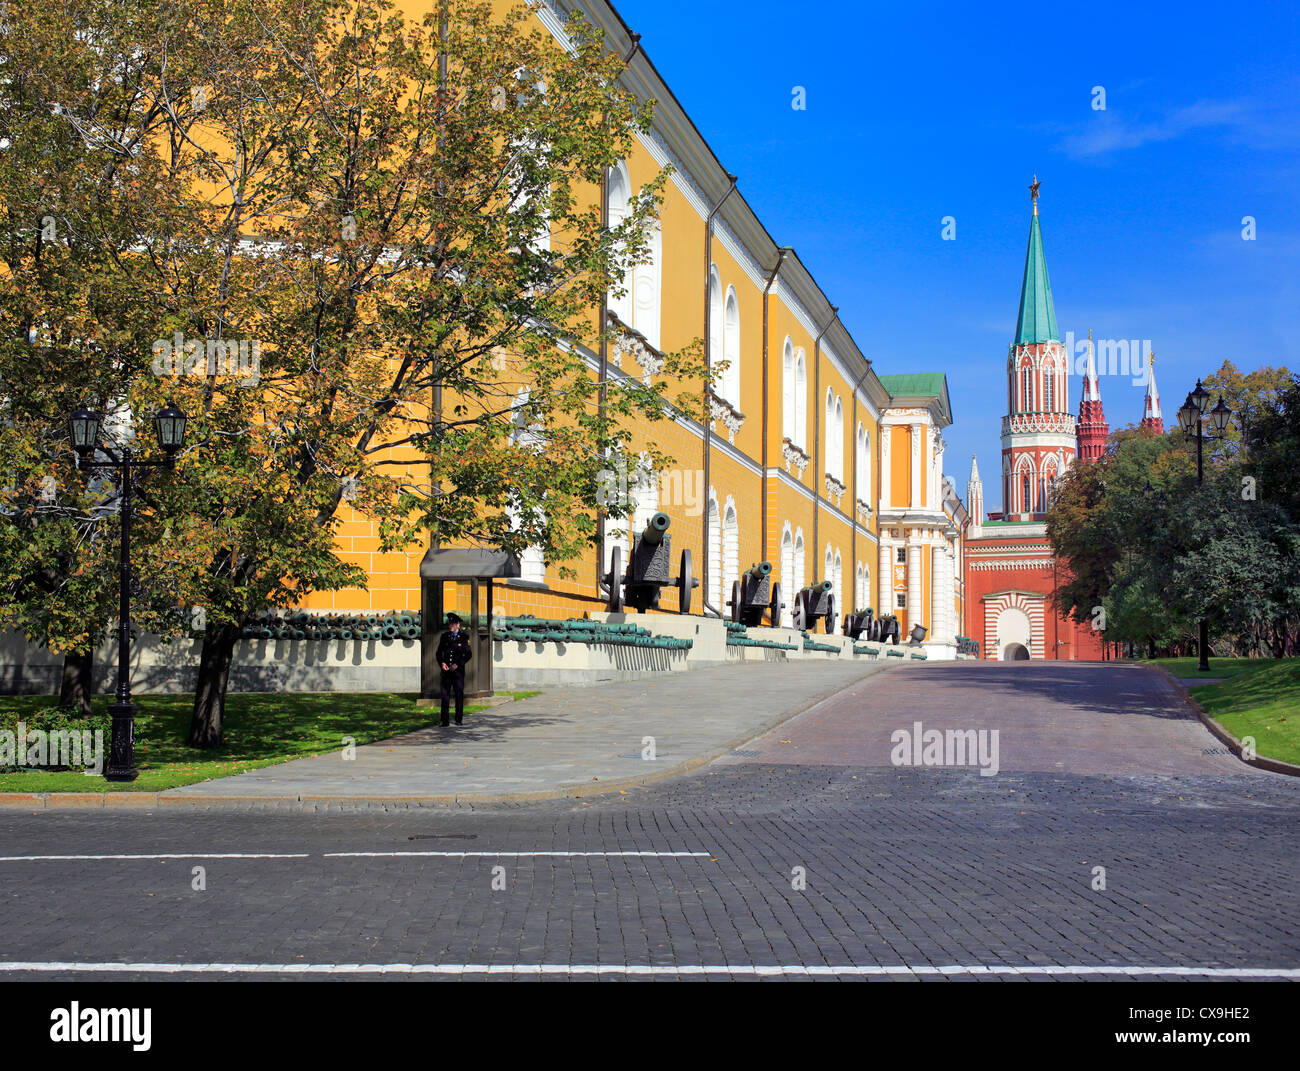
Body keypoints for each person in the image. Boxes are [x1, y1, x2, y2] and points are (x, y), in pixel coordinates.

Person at [435, 613, 473, 726]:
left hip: (458, 672)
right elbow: (438, 653)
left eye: (452, 624)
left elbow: (468, 654)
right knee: (445, 695)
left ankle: (458, 719)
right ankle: (444, 720)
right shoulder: (445, 636)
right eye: (449, 624)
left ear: (458, 624)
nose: (450, 626)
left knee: (458, 694)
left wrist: (458, 664)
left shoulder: (464, 637)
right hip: (446, 672)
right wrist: (442, 663)